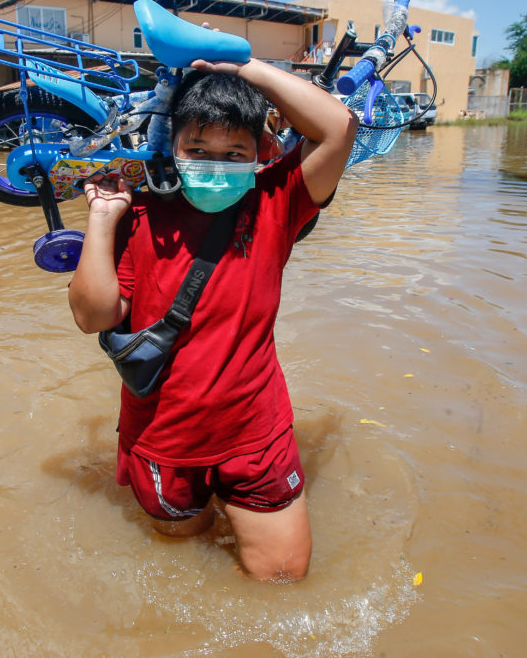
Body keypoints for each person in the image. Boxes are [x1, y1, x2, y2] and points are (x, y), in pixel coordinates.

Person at [67, 56, 357, 582]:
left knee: (283, 578)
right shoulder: (139, 213)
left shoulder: (277, 200)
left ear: (259, 153)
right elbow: (93, 317)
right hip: (162, 443)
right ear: (172, 146)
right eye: (197, 150)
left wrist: (242, 67)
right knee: (184, 562)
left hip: (257, 437)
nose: (214, 165)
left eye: (234, 153)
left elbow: (338, 127)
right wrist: (103, 219)